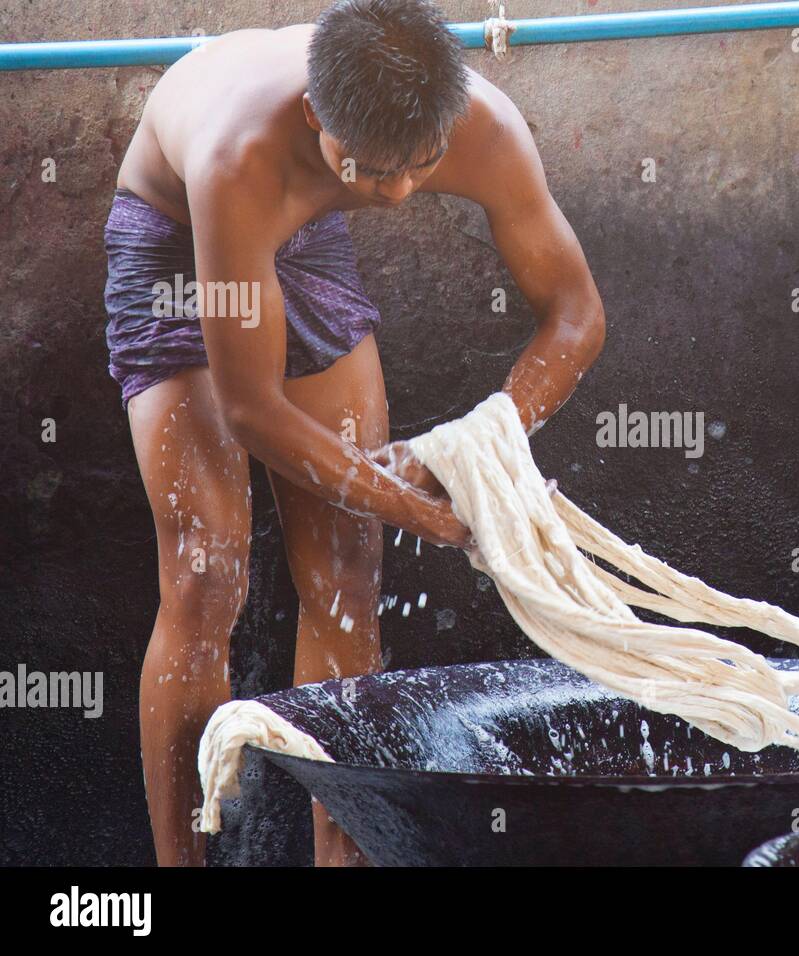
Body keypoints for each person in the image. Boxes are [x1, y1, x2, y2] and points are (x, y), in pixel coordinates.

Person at [103, 0, 605, 866]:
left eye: (421, 166)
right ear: (314, 118)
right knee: (205, 566)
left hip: (301, 227)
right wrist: (425, 511)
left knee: (346, 568)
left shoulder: (479, 125)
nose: (402, 193)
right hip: (185, 246)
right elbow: (253, 408)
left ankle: (344, 859)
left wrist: (478, 446)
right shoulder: (239, 153)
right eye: (373, 172)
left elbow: (575, 315)